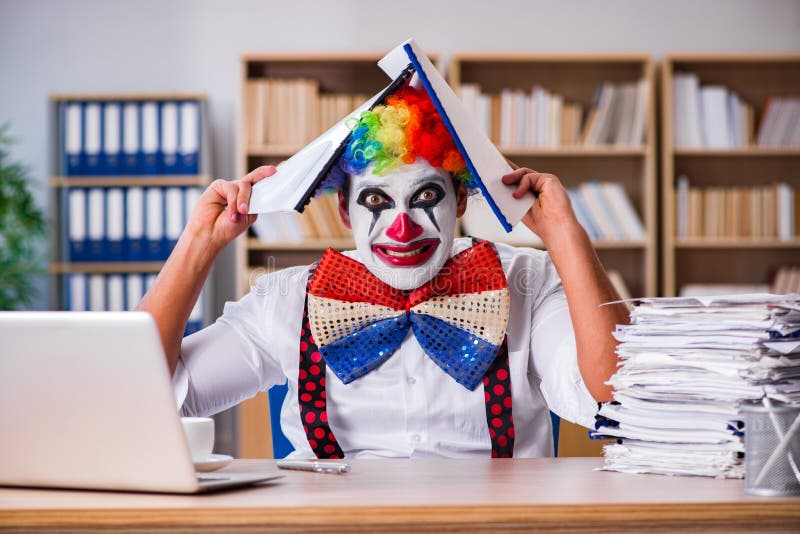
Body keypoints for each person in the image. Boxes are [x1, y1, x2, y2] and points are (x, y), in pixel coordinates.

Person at [139, 85, 629, 459]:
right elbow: (147, 399)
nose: (401, 227)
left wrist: (565, 234)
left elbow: (617, 393)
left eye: (426, 197)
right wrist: (199, 244)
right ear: (346, 213)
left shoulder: (528, 280)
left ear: (460, 200)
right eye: (376, 200)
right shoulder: (287, 299)